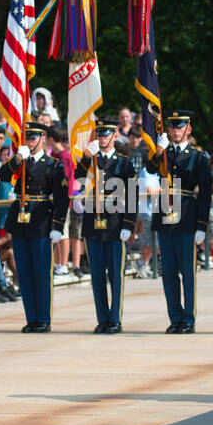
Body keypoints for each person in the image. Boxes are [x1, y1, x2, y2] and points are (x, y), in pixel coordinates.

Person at [0, 121, 70, 332]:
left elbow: (62, 197)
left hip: (40, 222)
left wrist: (58, 225)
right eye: (27, 137)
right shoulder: (20, 161)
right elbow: (3, 176)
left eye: (33, 138)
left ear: (42, 139)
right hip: (20, 223)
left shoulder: (52, 165)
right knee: (25, 273)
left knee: (41, 273)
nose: (29, 141)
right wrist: (17, 158)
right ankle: (31, 318)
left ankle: (43, 319)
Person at [144, 111, 212, 333]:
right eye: (172, 127)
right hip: (164, 216)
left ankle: (188, 319)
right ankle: (175, 317)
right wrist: (159, 151)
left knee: (187, 272)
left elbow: (204, 193)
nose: (175, 130)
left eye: (179, 127)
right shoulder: (161, 153)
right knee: (169, 272)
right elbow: (151, 169)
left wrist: (202, 225)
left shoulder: (198, 157)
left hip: (186, 217)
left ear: (188, 129)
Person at [75, 123, 137, 332]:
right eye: (99, 134)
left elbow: (132, 194)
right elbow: (78, 178)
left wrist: (128, 223)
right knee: (97, 275)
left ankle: (115, 319)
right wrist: (85, 158)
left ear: (115, 135)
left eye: (106, 134)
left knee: (116, 276)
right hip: (93, 223)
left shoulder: (124, 163)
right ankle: (102, 318)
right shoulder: (90, 159)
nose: (102, 138)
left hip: (115, 223)